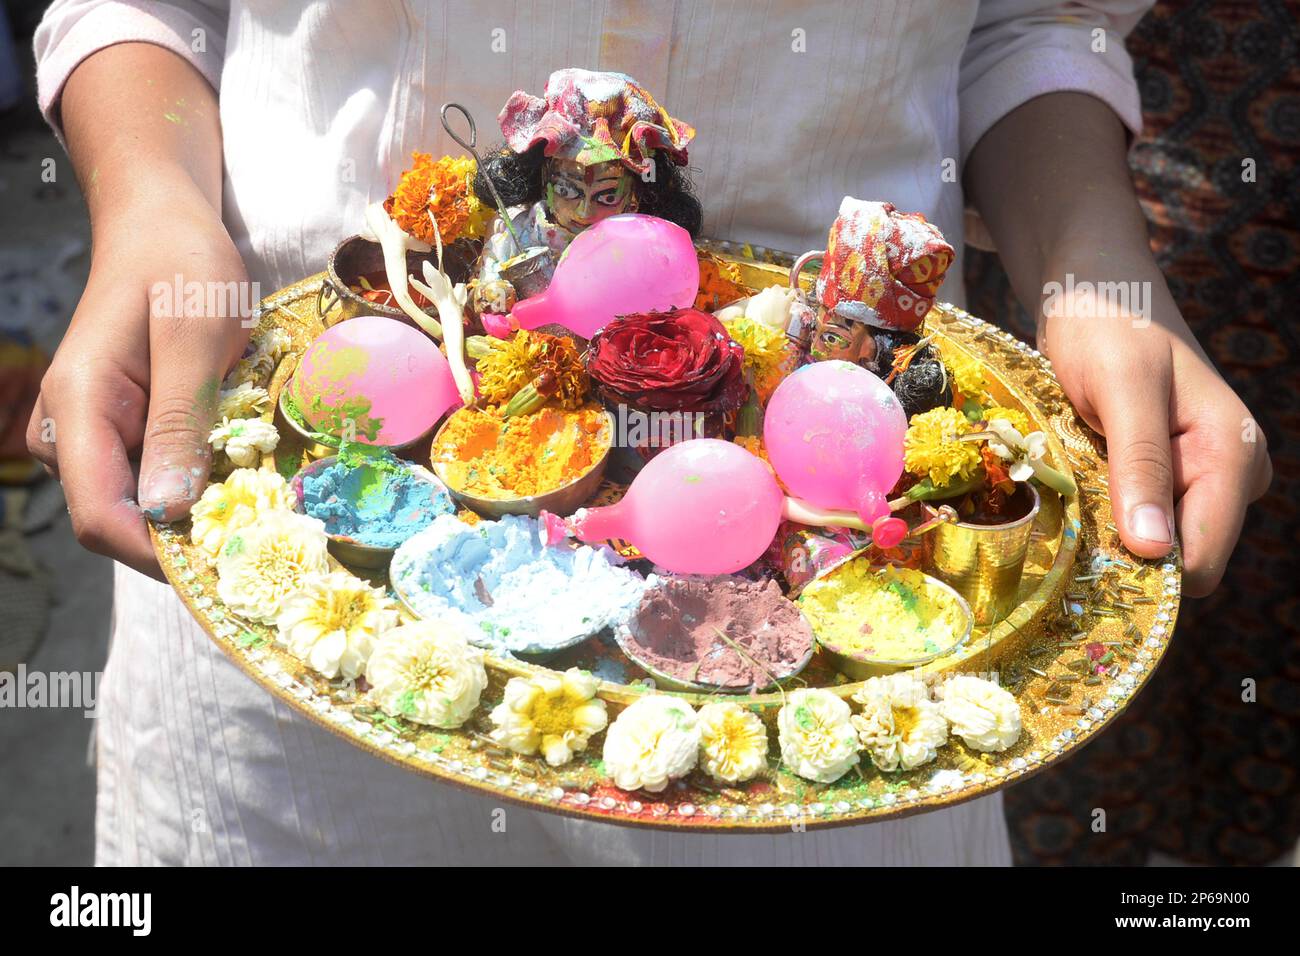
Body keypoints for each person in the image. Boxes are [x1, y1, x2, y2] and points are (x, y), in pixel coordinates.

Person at [29, 1, 1270, 865]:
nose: (593, 197)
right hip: (311, 575)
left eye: (613, 183)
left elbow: (1030, 21)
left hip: (830, 675)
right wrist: (150, 206)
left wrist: (1092, 264)